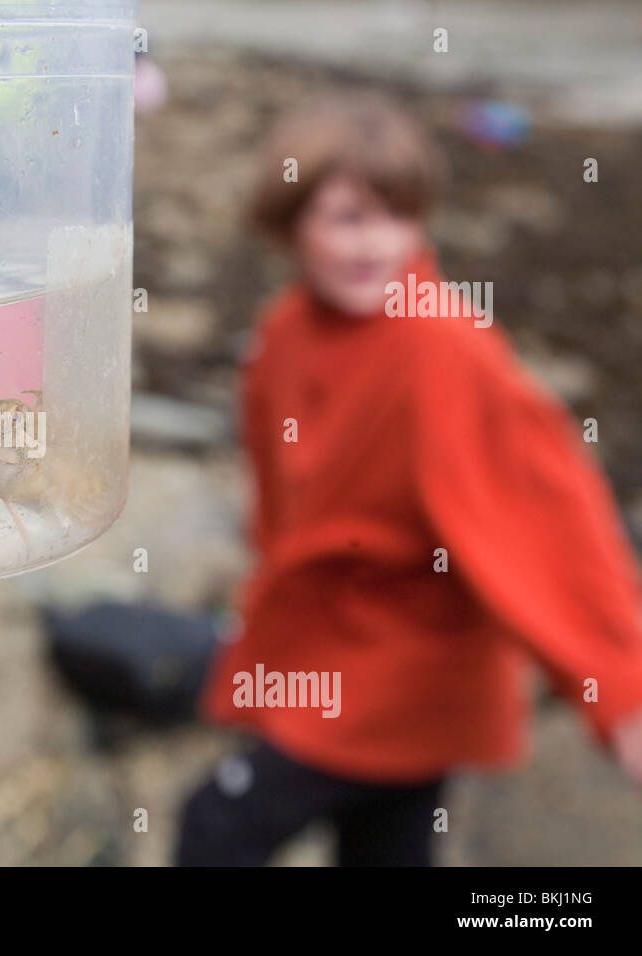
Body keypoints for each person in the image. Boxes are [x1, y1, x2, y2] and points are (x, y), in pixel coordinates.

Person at [177, 95, 642, 867]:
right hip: (335, 640)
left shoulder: (444, 351)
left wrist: (618, 689)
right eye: (347, 218)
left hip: (399, 669)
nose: (376, 244)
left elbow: (547, 520)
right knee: (387, 847)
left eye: (398, 217)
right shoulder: (286, 331)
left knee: (216, 825)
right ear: (290, 224)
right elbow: (275, 479)